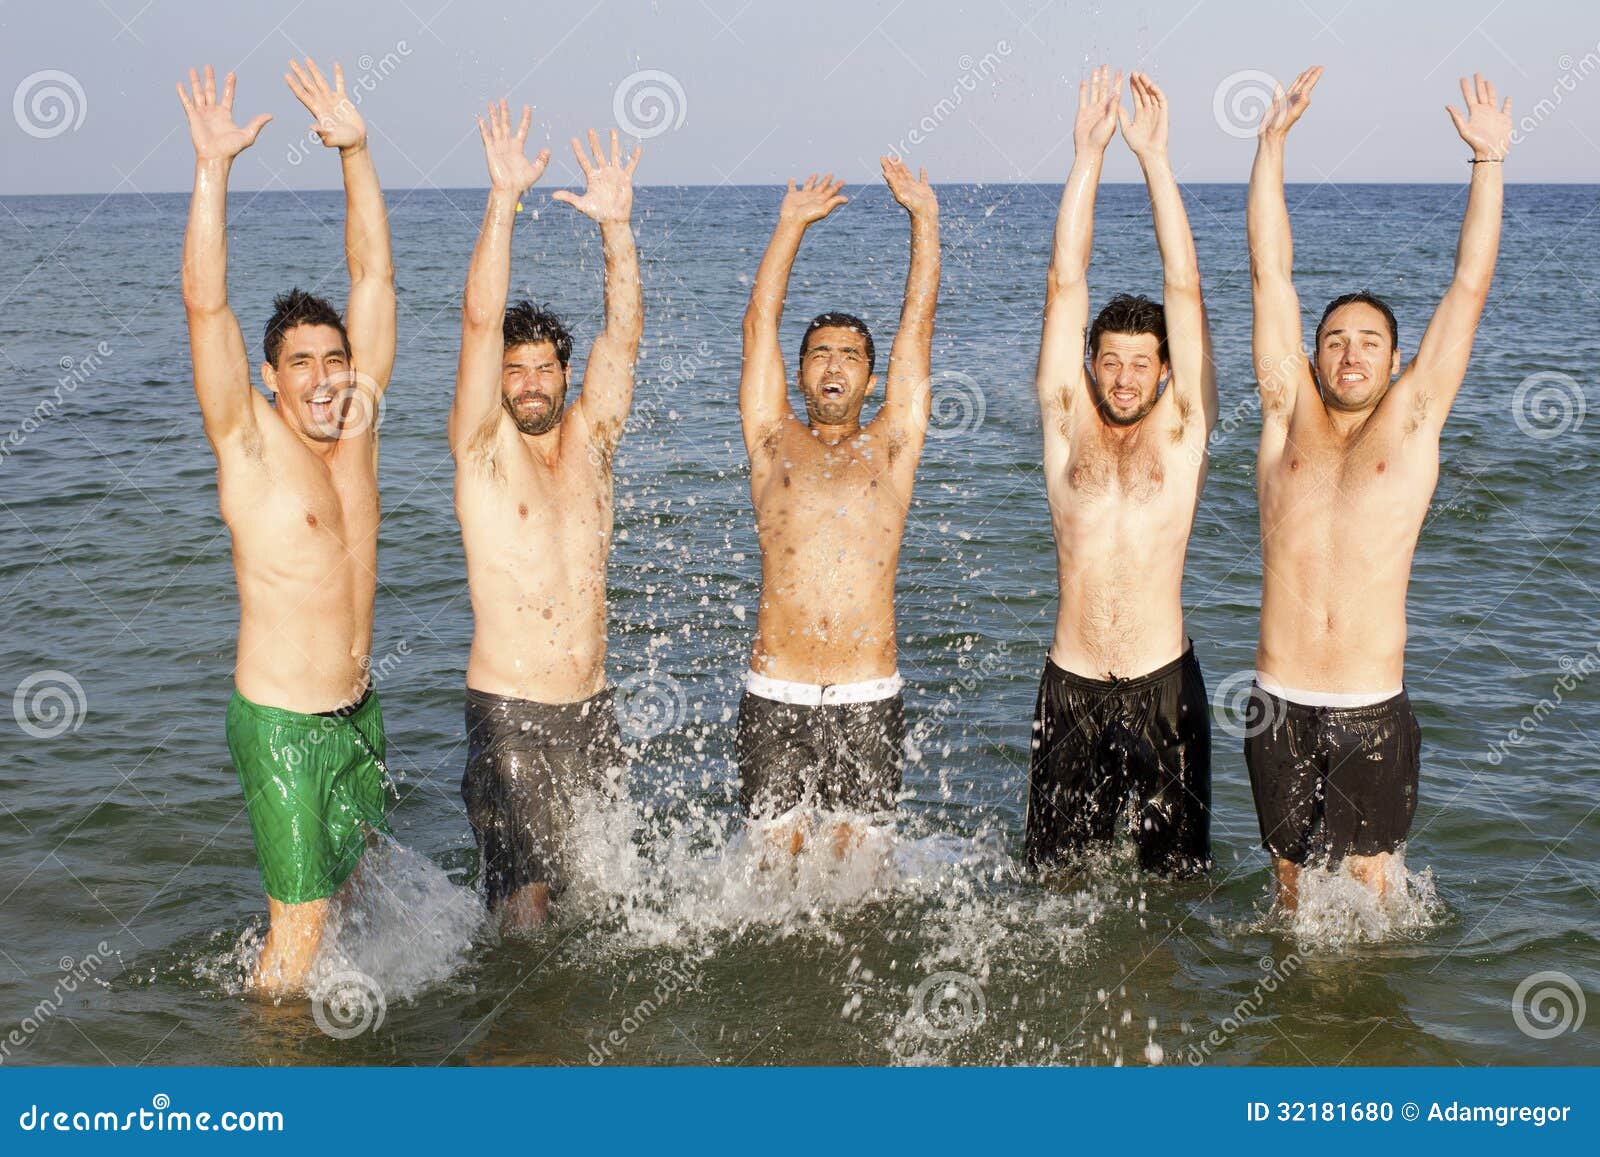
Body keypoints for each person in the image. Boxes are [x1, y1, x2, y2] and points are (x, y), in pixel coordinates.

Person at [1246, 67, 1509, 908]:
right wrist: (1270, 145)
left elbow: (1468, 286)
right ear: (1313, 355)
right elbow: (1269, 274)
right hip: (1279, 700)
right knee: (1292, 898)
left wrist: (1489, 162)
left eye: (1368, 341)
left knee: (1376, 900)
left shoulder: (1414, 419)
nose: (1350, 352)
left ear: (1395, 361)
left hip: (1371, 703)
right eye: (1334, 340)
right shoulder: (1287, 414)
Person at [178, 60, 396, 991]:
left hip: (356, 714)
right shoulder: (250, 442)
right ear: (269, 378)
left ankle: (323, 1035)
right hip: (282, 724)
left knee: (349, 904)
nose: (323, 377)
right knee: (298, 935)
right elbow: (206, 305)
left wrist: (356, 151)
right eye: (300, 363)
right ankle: (270, 1056)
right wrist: (213, 167)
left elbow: (374, 274)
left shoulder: (358, 430)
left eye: (333, 358)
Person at [450, 101, 642, 932]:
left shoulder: (592, 439)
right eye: (514, 370)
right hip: (511, 714)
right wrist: (503, 199)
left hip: (592, 710)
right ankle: (514, 1012)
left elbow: (623, 338)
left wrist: (616, 229)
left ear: (564, 373)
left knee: (592, 903)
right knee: (525, 908)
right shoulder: (483, 446)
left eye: (544, 368)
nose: (529, 383)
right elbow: (477, 319)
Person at [1024, 67, 1218, 877]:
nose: (1126, 378)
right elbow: (1065, 280)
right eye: (1111, 361)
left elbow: (1186, 286)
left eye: (1142, 363)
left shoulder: (1181, 428)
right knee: (1053, 887)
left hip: (1163, 686)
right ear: (1090, 364)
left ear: (1165, 370)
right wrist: (1086, 155)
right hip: (1070, 683)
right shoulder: (1067, 419)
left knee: (1177, 889)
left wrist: (1155, 160)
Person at [735, 159, 940, 857]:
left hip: (867, 690)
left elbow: (917, 330)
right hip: (777, 688)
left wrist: (925, 220)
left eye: (850, 356)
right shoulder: (772, 440)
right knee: (770, 879)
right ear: (799, 374)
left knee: (864, 886)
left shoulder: (892, 446)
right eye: (819, 354)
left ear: (871, 378)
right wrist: (790, 225)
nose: (832, 366)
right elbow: (758, 323)